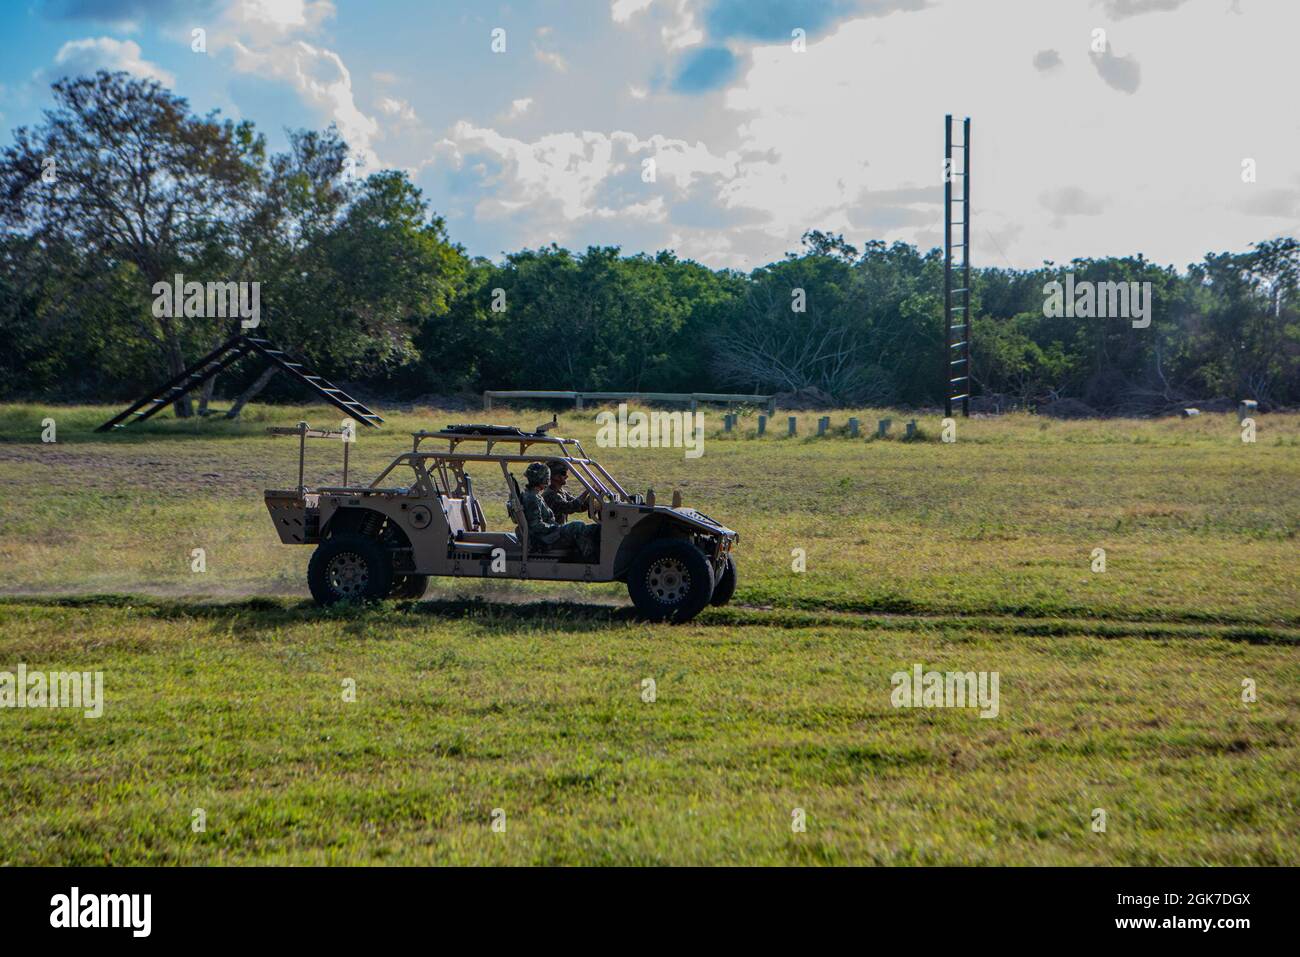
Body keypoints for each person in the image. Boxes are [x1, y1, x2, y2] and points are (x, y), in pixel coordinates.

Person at [519, 461, 599, 561]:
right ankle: (590, 560)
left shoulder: (536, 496)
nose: (567, 476)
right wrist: (556, 528)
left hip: (550, 535)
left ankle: (596, 556)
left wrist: (591, 499)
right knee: (577, 526)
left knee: (594, 529)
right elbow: (536, 526)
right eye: (563, 473)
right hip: (546, 539)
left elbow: (578, 506)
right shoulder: (537, 497)